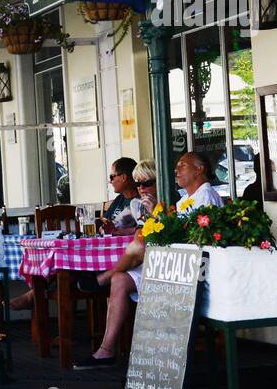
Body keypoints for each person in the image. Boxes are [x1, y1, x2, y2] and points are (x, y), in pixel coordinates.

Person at [75, 152, 223, 368]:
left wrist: (156, 216)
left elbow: (190, 239)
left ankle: (105, 278)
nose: (176, 170)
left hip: (188, 271)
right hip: (168, 264)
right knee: (120, 280)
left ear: (199, 170)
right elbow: (170, 233)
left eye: (182, 165)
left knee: (139, 243)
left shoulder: (205, 197)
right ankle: (106, 350)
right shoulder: (185, 200)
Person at [102, 158, 139, 229]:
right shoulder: (119, 198)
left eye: (112, 177)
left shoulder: (140, 201)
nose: (110, 181)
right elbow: (105, 222)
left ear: (123, 178)